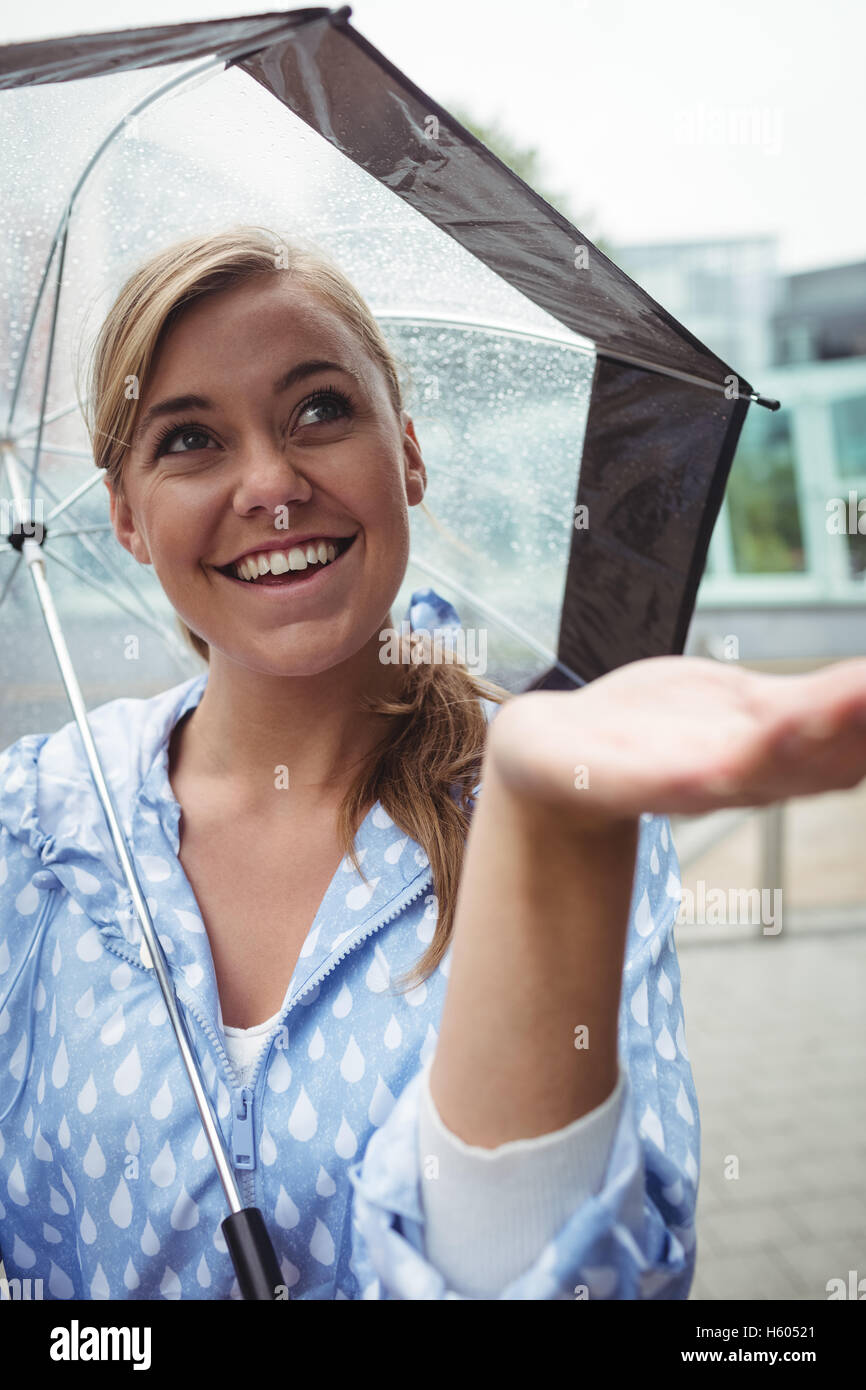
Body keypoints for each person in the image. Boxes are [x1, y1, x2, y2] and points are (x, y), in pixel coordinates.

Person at [2, 227, 864, 1302]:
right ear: (128, 516)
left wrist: (546, 828)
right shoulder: (32, 828)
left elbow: (597, 1284)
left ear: (406, 452)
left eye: (320, 408)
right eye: (189, 440)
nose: (271, 482)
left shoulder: (567, 805)